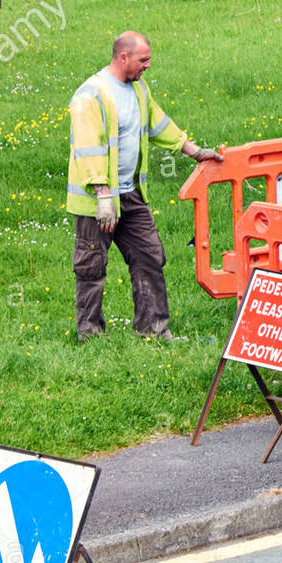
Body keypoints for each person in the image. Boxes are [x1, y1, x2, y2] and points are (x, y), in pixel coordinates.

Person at [67, 31, 222, 342]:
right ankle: (90, 336)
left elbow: (156, 123)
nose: (148, 65)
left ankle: (153, 329)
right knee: (91, 266)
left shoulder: (138, 89)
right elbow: (88, 147)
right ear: (123, 57)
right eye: (143, 60)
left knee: (149, 256)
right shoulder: (91, 96)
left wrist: (192, 150)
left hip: (130, 195)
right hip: (97, 200)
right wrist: (102, 195)